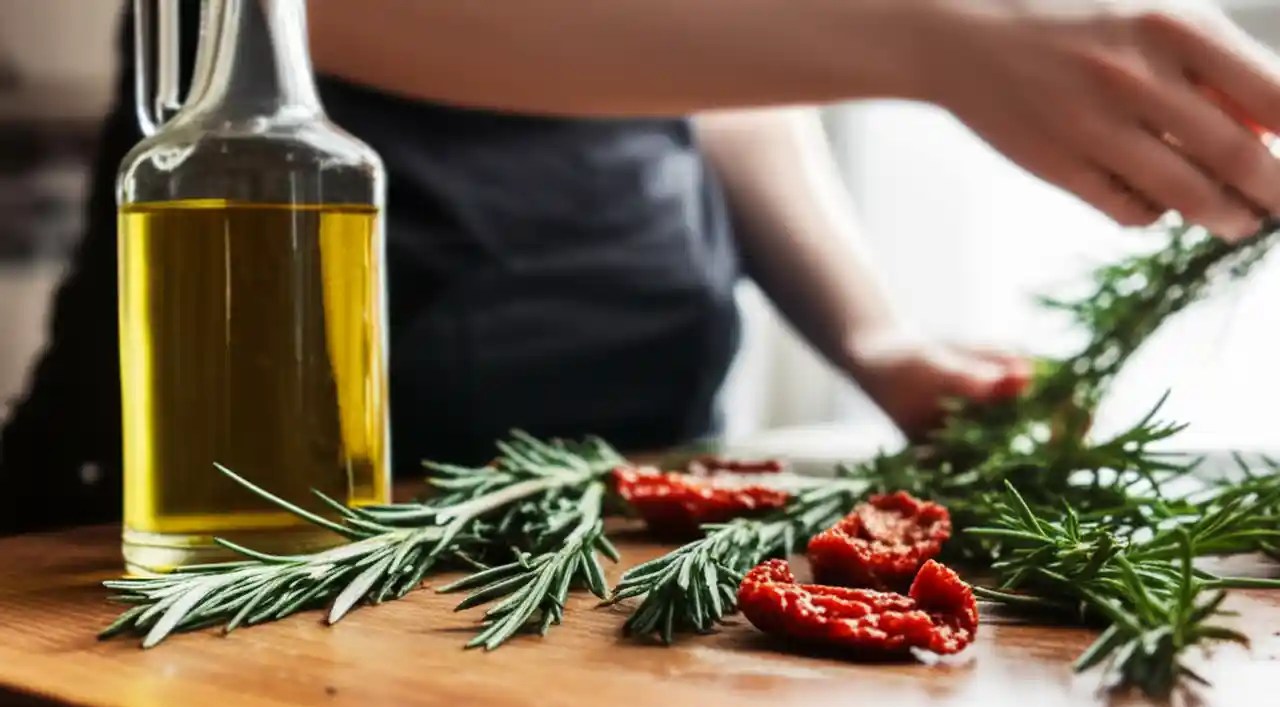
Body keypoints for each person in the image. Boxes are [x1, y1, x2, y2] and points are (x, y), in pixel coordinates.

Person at [3, 0, 1280, 533]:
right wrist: (933, 36)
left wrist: (871, 332)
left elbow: (725, 78)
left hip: (633, 472)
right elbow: (295, 10)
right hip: (241, 494)